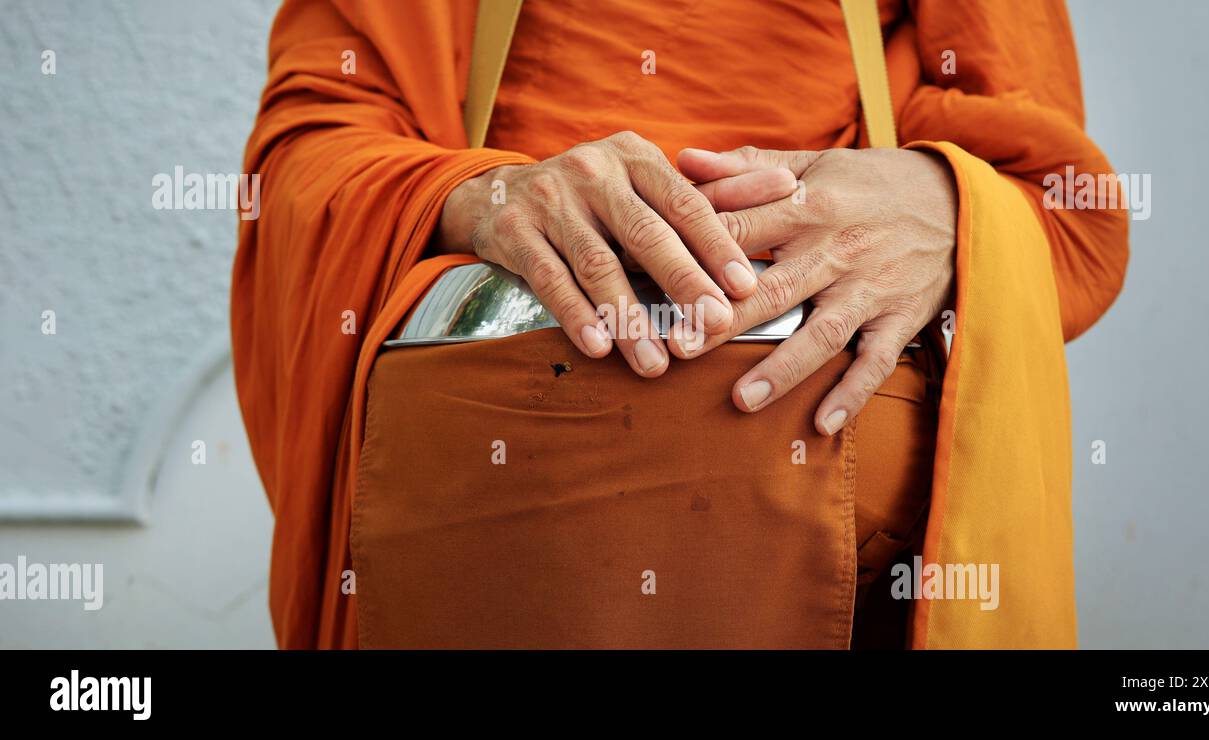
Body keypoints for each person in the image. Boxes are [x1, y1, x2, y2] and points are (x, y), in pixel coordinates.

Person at [232, 0, 1128, 648]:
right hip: (496, 477)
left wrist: (941, 199)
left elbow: (1060, 206)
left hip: (843, 501)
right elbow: (310, 155)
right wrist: (476, 195)